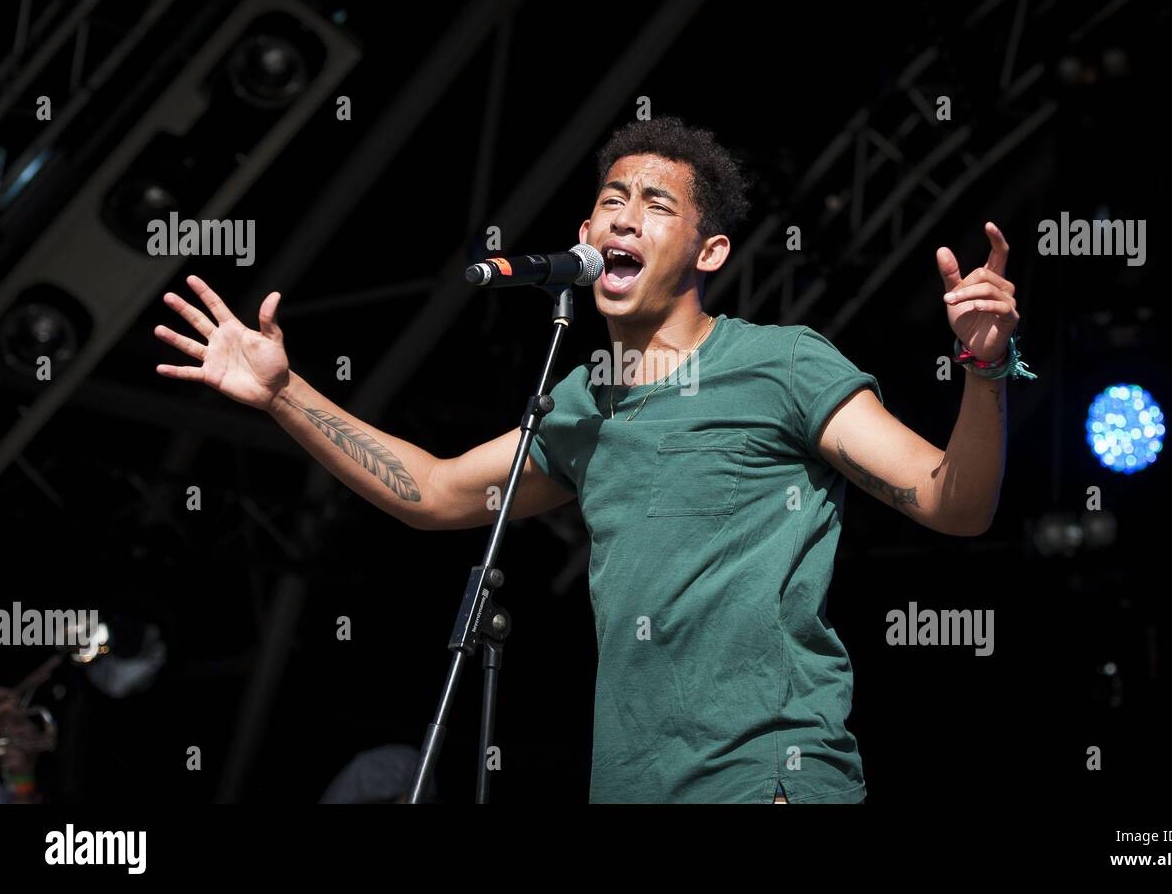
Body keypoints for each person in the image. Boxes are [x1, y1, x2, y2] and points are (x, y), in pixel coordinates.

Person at [155, 116, 1029, 803]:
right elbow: (431, 490)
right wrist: (282, 392)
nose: (625, 213)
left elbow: (954, 504)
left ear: (708, 250)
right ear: (584, 233)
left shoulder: (783, 364)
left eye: (657, 204)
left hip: (766, 780)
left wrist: (984, 370)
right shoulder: (578, 401)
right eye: (613, 198)